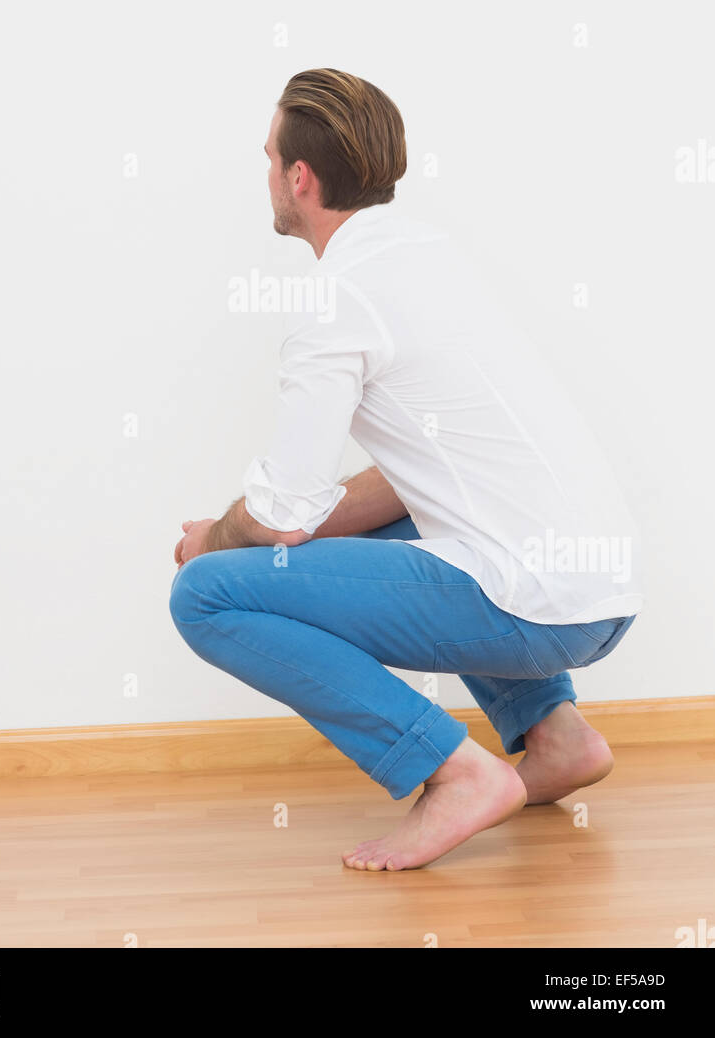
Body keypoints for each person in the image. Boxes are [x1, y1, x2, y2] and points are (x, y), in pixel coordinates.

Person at [169, 68, 644, 871]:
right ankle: (555, 737)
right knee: (411, 510)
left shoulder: (339, 299)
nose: (269, 179)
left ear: (299, 176)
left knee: (205, 596)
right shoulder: (430, 258)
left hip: (538, 607)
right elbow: (405, 484)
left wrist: (214, 539)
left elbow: (284, 513)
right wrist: (249, 525)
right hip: (601, 592)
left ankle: (455, 775)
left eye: (268, 159)